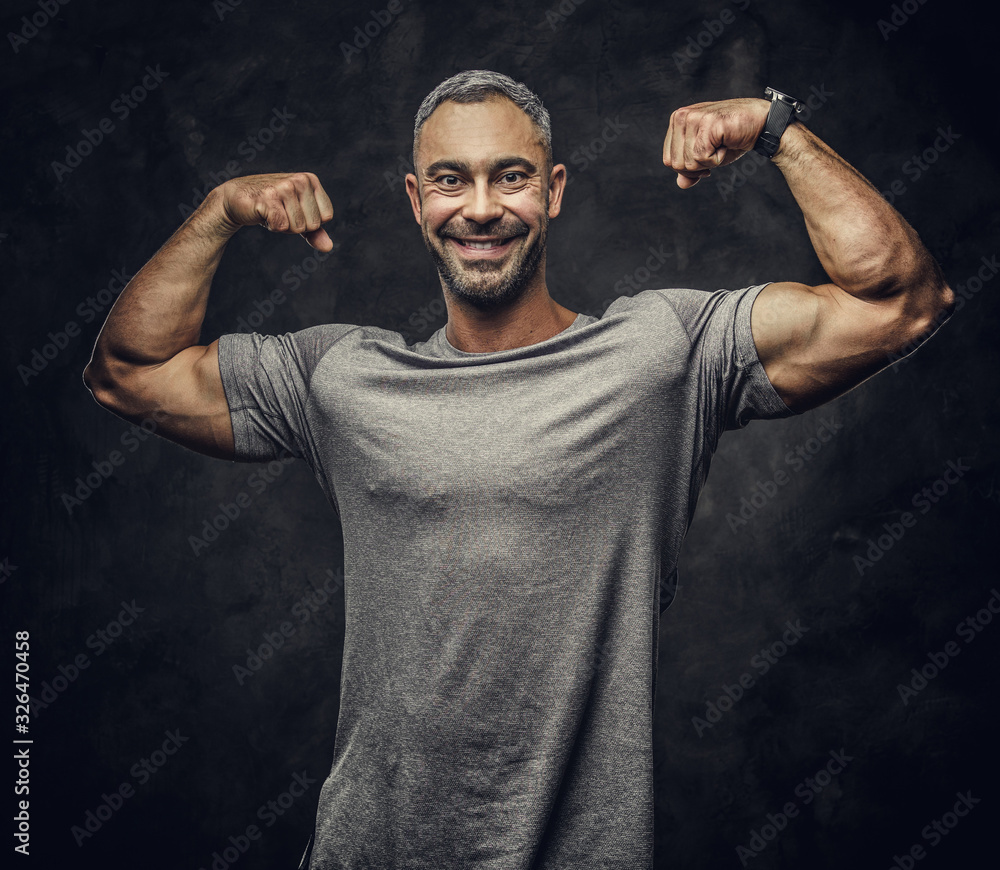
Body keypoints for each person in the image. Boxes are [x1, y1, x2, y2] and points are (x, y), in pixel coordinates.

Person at [83, 70, 953, 869]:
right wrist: (221, 212)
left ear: (554, 191)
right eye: (452, 181)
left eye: (511, 176)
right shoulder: (342, 379)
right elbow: (129, 371)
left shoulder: (659, 353)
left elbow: (902, 298)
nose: (482, 208)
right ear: (416, 202)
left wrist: (775, 127)